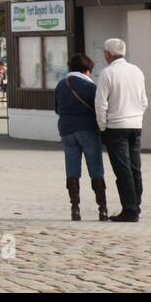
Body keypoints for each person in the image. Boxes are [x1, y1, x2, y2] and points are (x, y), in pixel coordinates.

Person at [95, 38, 148, 223]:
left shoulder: (107, 73)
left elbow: (100, 104)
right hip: (135, 125)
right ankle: (136, 206)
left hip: (116, 127)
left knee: (123, 170)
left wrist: (102, 127)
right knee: (135, 168)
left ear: (108, 54)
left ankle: (130, 210)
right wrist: (137, 117)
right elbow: (144, 101)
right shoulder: (137, 71)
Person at [53, 53, 109, 221]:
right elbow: (99, 108)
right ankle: (102, 208)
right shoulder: (91, 87)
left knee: (72, 169)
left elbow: (57, 108)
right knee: (96, 168)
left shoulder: (61, 85)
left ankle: (75, 208)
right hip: (88, 130)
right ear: (87, 70)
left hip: (67, 131)